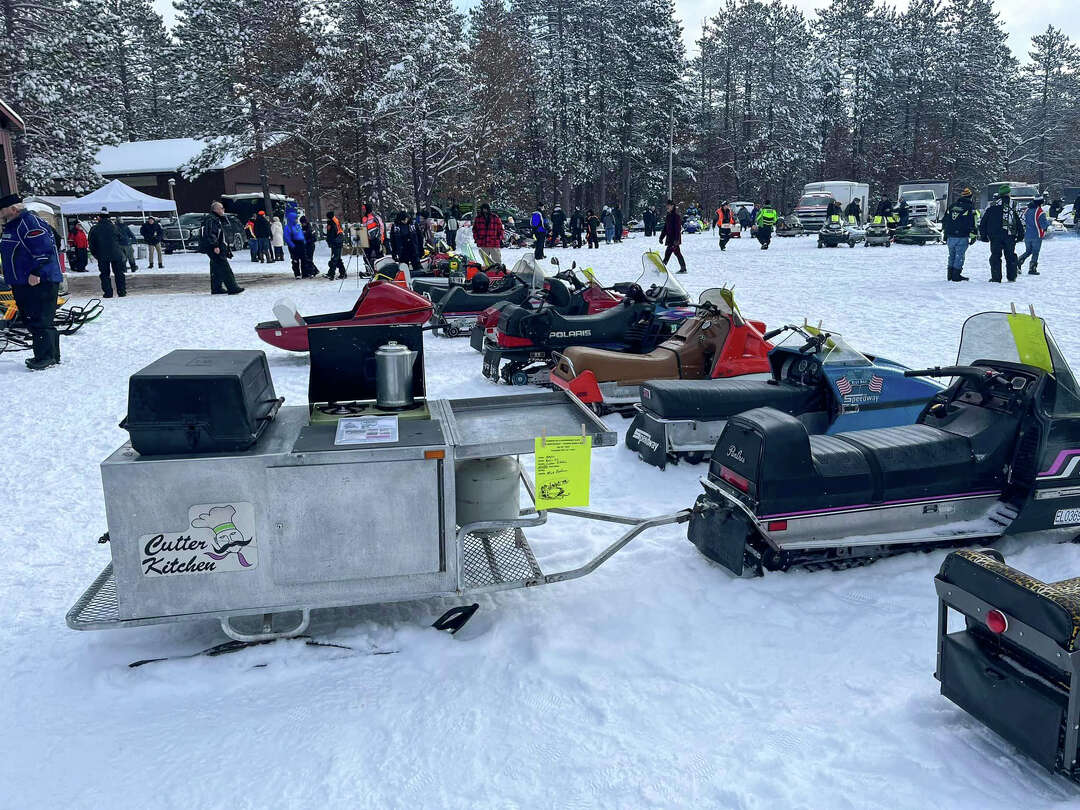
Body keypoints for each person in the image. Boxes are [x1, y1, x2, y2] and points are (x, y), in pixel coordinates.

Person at [0, 194, 64, 369]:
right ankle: (51, 354)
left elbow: (44, 248)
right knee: (34, 319)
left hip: (38, 281)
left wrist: (37, 272)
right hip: (22, 281)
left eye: (2, 209)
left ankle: (45, 357)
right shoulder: (12, 226)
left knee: (40, 319)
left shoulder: (28, 223)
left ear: (13, 209)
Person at [979, 184, 1024, 283]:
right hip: (1010, 235)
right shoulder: (1015, 205)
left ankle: (996, 277)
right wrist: (1021, 234)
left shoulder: (992, 205)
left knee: (995, 256)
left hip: (995, 236)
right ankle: (1012, 276)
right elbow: (1020, 221)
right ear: (1008, 193)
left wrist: (983, 235)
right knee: (1010, 256)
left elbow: (984, 221)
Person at [200, 201, 244, 295]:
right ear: (216, 209)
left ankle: (216, 288)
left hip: (218, 246)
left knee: (216, 266)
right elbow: (210, 233)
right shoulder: (212, 219)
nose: (223, 210)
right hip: (214, 247)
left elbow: (221, 233)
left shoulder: (217, 218)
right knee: (224, 266)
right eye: (221, 208)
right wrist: (215, 245)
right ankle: (232, 287)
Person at [88, 208, 127, 298]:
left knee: (105, 274)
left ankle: (108, 293)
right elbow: (121, 238)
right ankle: (122, 291)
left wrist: (96, 254)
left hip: (102, 255)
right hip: (116, 253)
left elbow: (91, 243)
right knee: (119, 273)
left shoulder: (95, 228)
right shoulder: (114, 227)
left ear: (99, 218)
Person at [942, 188, 978, 282]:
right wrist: (974, 235)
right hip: (962, 235)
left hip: (950, 235)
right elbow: (973, 222)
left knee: (952, 255)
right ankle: (956, 275)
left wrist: (945, 233)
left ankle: (950, 275)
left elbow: (945, 220)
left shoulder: (952, 206)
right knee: (960, 255)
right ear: (970, 197)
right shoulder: (970, 207)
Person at [1018, 196, 1050, 275]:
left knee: (1028, 251)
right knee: (1035, 252)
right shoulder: (1040, 212)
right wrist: (1048, 223)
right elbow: (1044, 226)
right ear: (1041, 203)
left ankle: (1018, 261)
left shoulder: (1027, 210)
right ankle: (1032, 268)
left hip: (1027, 235)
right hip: (1037, 235)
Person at [658, 199, 686, 273]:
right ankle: (683, 268)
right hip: (670, 238)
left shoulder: (676, 216)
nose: (667, 207)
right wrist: (661, 237)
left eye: (669, 206)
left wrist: (676, 240)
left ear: (673, 206)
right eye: (667, 205)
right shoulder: (668, 216)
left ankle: (662, 268)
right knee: (676, 253)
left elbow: (678, 229)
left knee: (668, 253)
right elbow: (665, 228)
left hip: (674, 239)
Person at [282, 204, 306, 278]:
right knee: (295, 260)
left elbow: (301, 234)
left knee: (303, 259)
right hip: (294, 244)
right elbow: (286, 237)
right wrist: (292, 245)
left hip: (301, 244)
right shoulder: (287, 227)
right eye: (295, 218)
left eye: (297, 218)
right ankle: (297, 274)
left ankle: (304, 273)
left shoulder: (298, 226)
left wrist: (304, 241)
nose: (296, 219)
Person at [324, 210, 346, 279]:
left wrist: (330, 241)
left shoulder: (332, 223)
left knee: (334, 259)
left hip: (336, 243)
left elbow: (332, 234)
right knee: (337, 259)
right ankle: (342, 273)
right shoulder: (336, 221)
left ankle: (332, 273)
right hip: (337, 242)